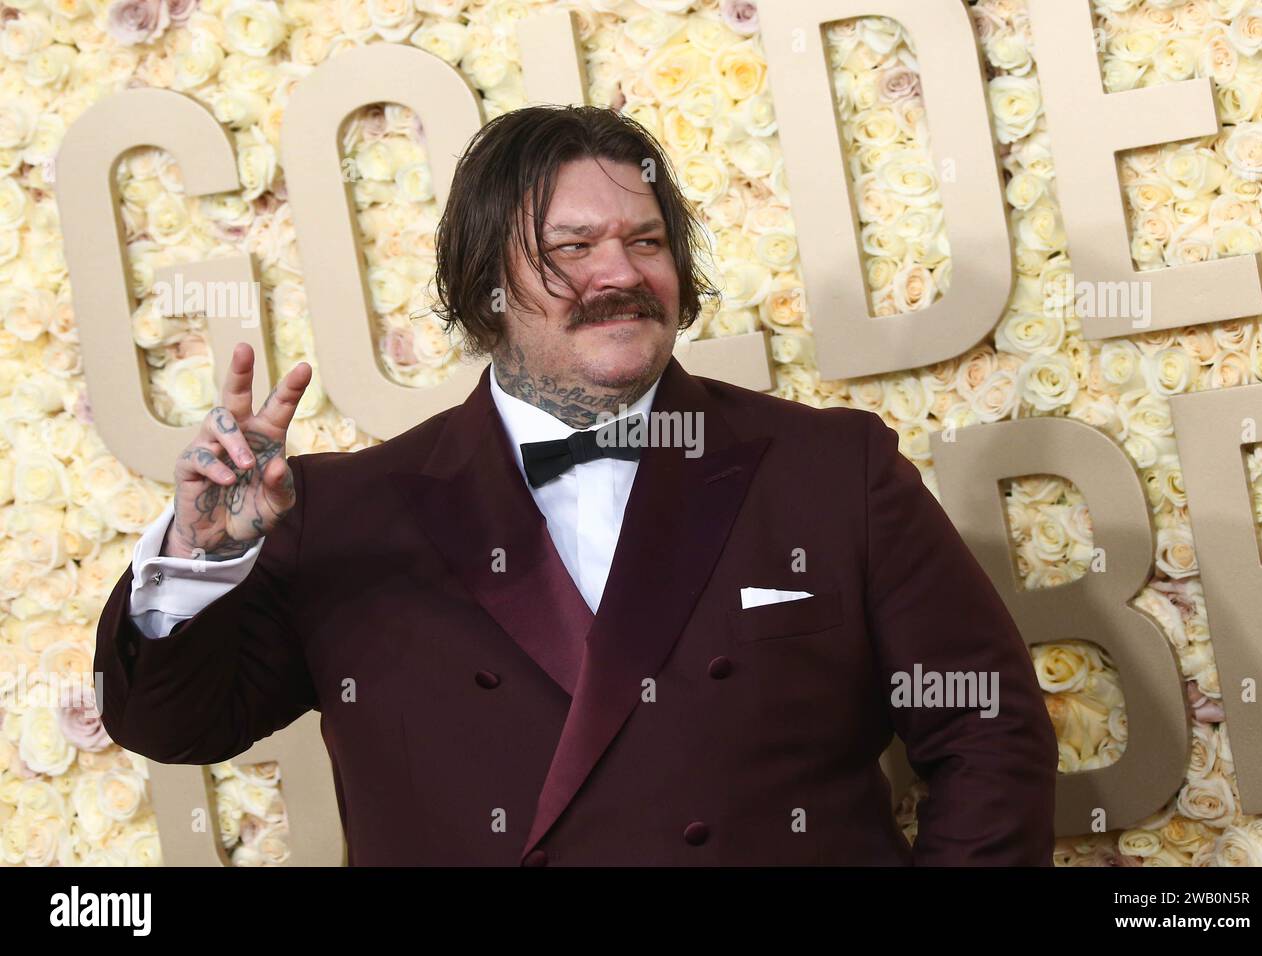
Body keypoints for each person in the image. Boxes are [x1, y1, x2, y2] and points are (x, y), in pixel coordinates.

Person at [94, 104, 1057, 866]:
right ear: (486, 289)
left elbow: (988, 732)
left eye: (646, 242)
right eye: (572, 248)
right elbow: (176, 724)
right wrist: (200, 560)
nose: (620, 274)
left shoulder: (831, 468)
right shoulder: (343, 512)